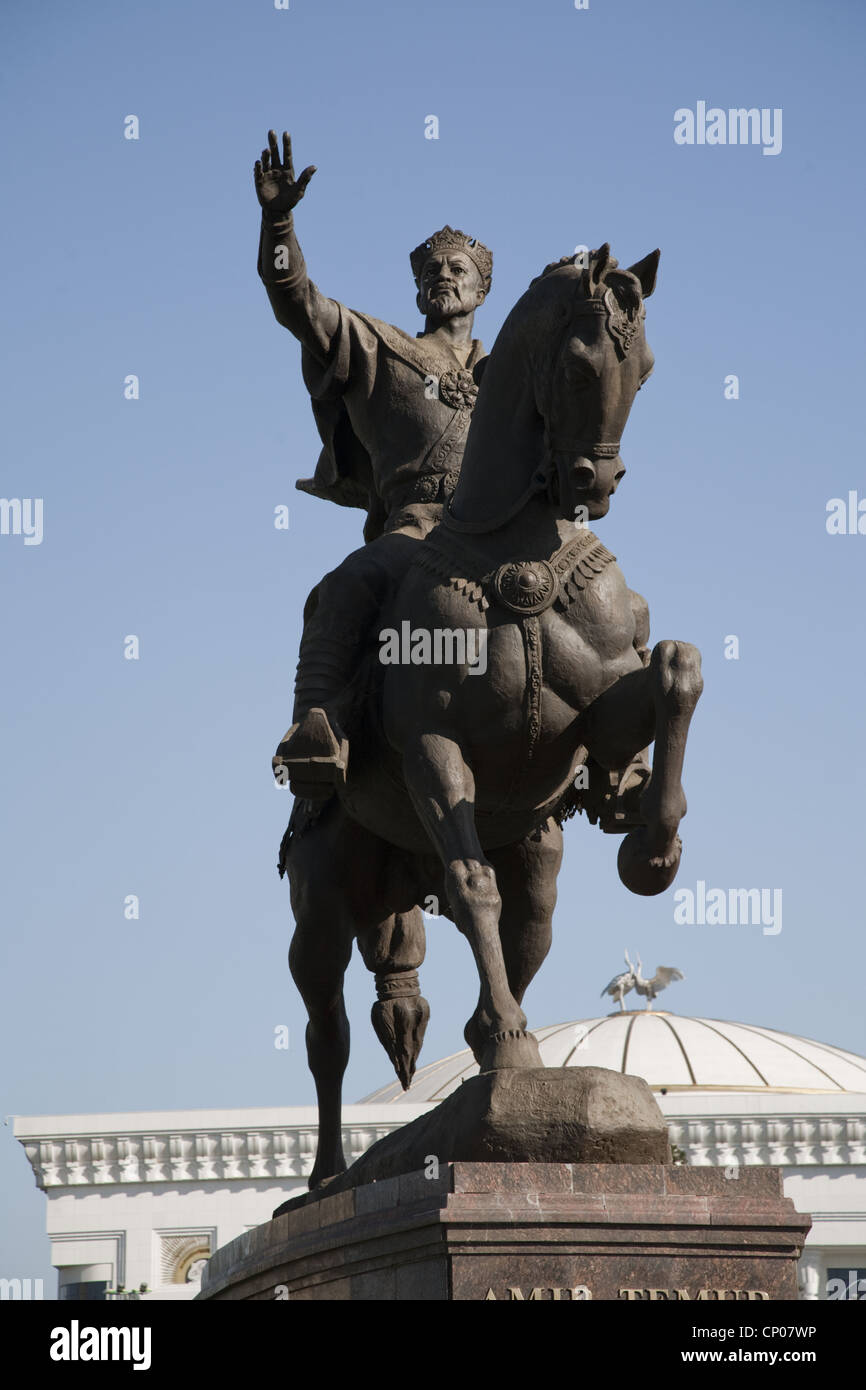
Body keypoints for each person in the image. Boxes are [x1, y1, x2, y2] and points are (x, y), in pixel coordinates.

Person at [254, 131, 493, 796]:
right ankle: (315, 728)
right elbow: (295, 299)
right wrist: (279, 221)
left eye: (459, 269)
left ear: (483, 289)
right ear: (419, 288)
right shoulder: (378, 346)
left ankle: (623, 761)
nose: (445, 275)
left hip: (506, 536)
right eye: (433, 270)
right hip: (418, 534)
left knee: (613, 607)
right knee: (349, 584)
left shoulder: (510, 376)